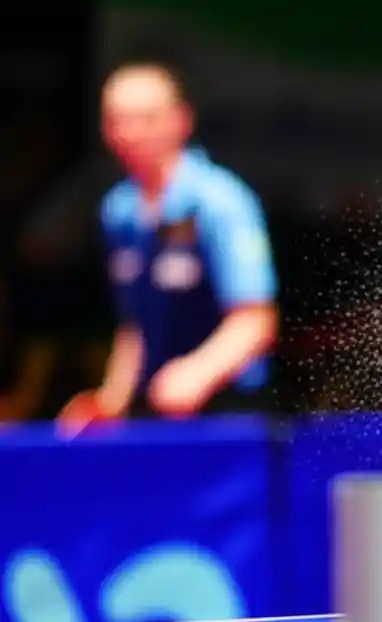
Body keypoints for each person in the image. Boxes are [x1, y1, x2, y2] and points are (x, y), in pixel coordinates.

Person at [58, 63, 278, 433]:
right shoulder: (119, 211)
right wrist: (110, 400)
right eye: (117, 120)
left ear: (181, 120)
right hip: (155, 414)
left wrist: (199, 372)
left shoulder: (221, 202)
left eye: (145, 118)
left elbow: (255, 321)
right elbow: (135, 326)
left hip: (228, 412)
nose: (130, 132)